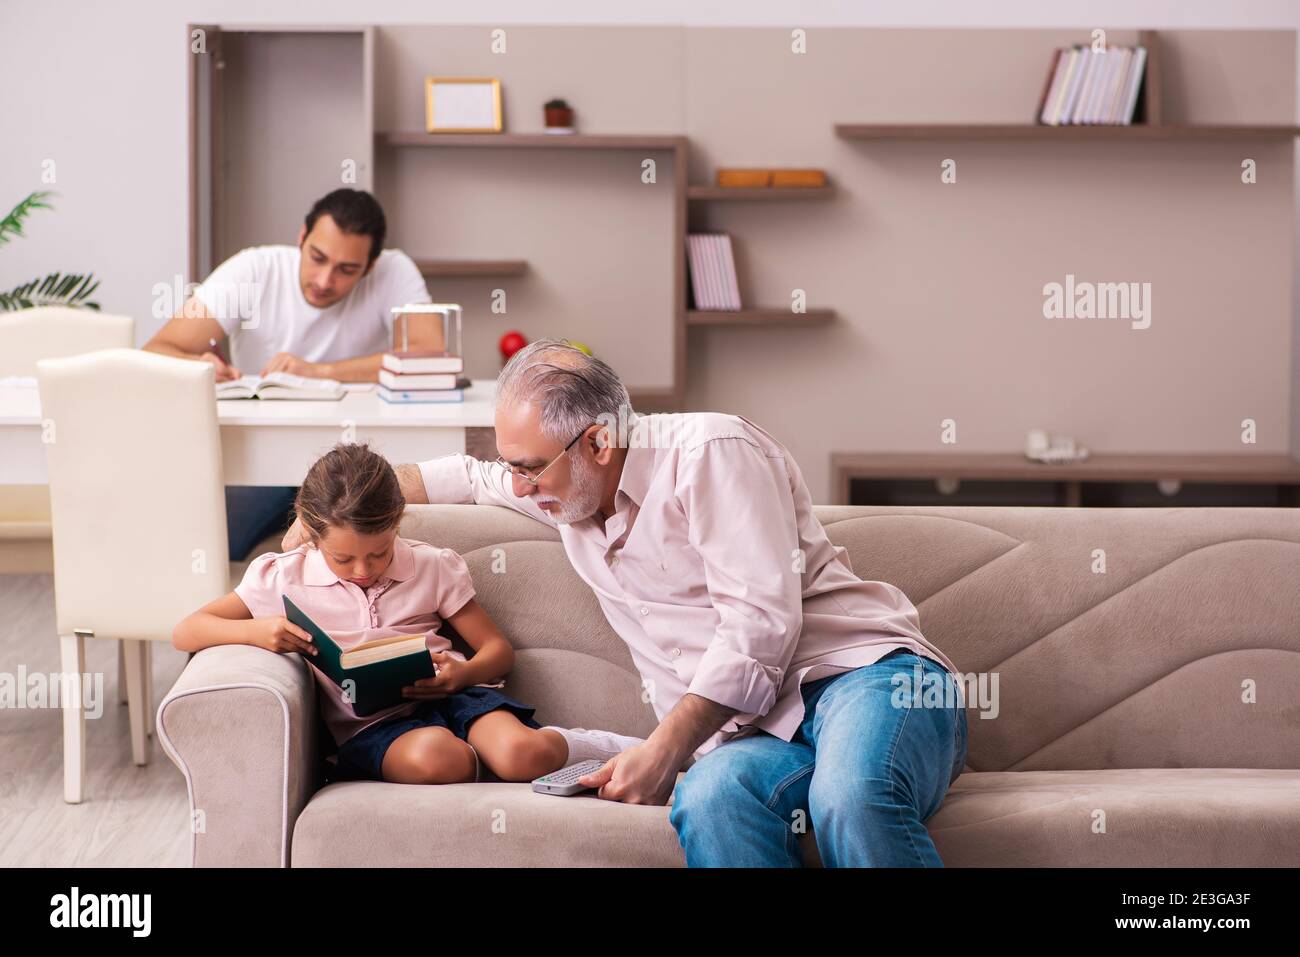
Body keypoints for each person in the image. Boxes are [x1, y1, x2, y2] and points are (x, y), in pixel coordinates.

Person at [283, 338, 970, 867]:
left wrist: (666, 748)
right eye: (512, 464)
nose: (516, 486)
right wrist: (310, 522)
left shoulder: (710, 452)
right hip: (756, 734)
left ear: (599, 441)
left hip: (868, 678)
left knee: (848, 795)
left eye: (528, 466)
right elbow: (456, 475)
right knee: (711, 800)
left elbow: (762, 628)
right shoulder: (567, 490)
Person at [174, 442, 639, 784]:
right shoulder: (282, 577)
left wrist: (463, 674)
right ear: (312, 535)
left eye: (378, 554)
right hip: (374, 727)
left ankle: (623, 752)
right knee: (439, 759)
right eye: (343, 559)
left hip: (457, 698)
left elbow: (497, 652)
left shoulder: (430, 565)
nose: (363, 571)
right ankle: (481, 763)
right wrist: (260, 632)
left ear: (396, 524)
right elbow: (186, 630)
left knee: (522, 753)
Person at [144, 188, 441, 561]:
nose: (324, 279)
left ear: (370, 266)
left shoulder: (394, 270)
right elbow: (158, 349)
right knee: (214, 542)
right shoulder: (254, 269)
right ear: (301, 238)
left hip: (353, 460)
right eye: (317, 258)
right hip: (263, 453)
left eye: (347, 270)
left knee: (383, 545)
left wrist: (319, 371)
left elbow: (428, 355)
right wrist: (203, 364)